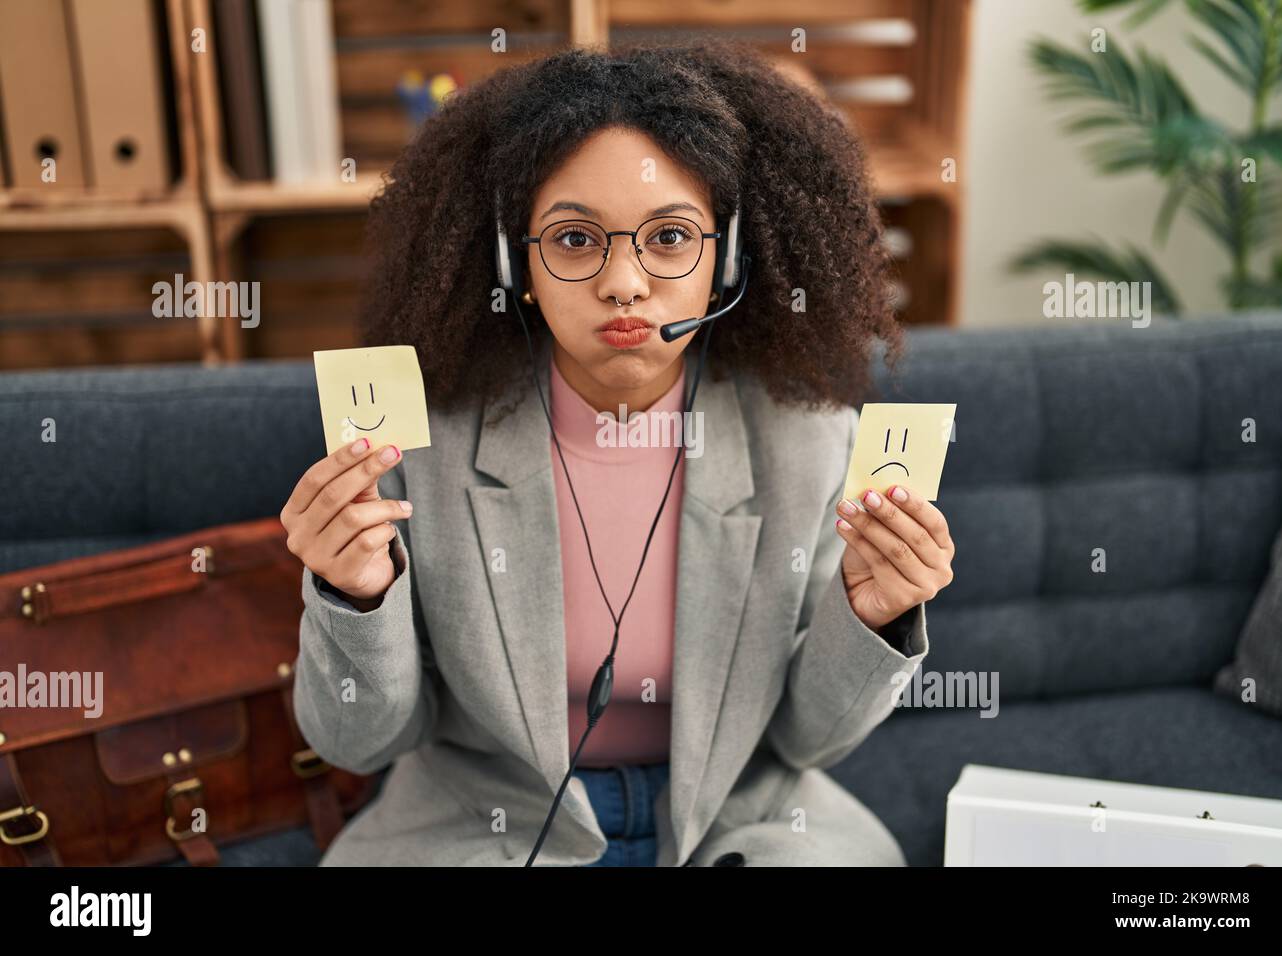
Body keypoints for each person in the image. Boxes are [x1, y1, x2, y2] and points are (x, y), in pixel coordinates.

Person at [280, 41, 955, 866]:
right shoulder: (414, 439)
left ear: (728, 256)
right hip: (483, 824)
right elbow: (360, 742)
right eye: (574, 241)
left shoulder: (807, 436)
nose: (626, 284)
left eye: (670, 236)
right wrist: (352, 600)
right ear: (512, 261)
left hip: (740, 817)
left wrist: (873, 615)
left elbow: (810, 742)